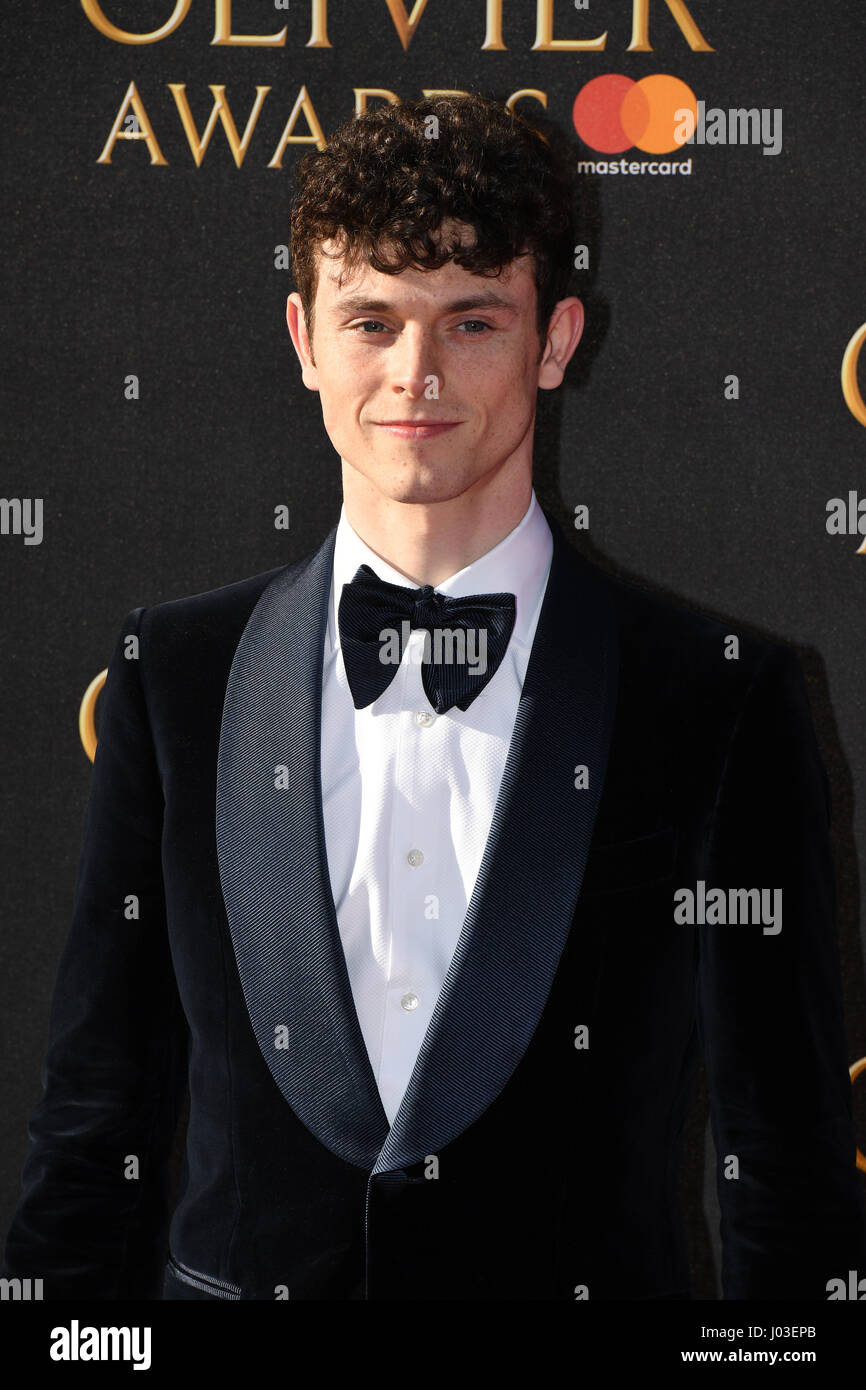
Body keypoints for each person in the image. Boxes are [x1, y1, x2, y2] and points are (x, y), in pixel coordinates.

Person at [4, 93, 865, 1301]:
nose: (414, 375)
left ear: (554, 340)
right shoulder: (177, 676)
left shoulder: (719, 696)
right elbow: (96, 1117)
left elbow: (781, 1166)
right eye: (373, 321)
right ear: (303, 338)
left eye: (470, 321)